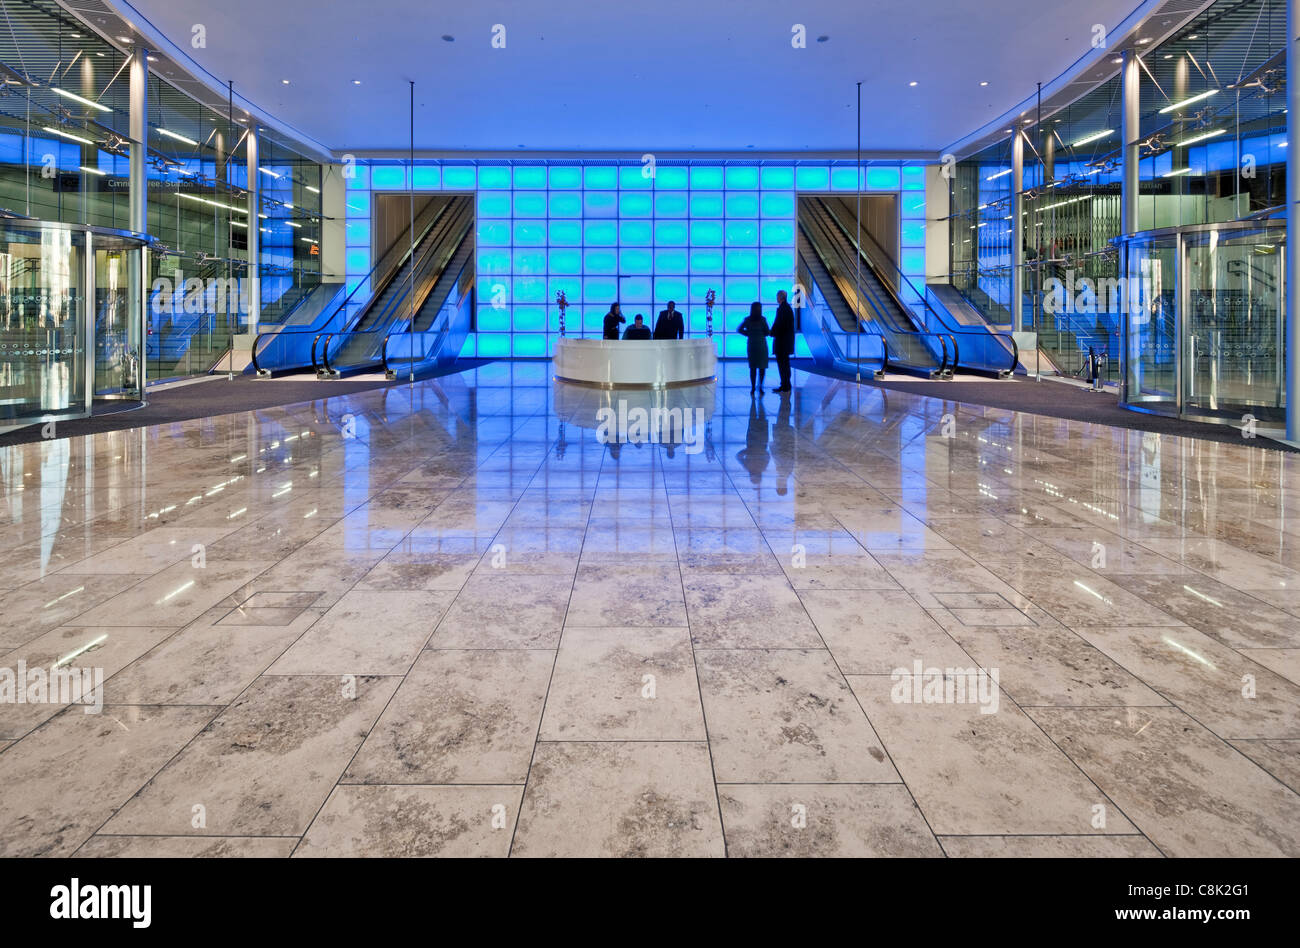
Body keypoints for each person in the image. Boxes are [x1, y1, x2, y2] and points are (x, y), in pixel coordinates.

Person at [738, 301, 770, 394]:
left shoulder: (747, 319)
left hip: (751, 345)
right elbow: (767, 332)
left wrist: (748, 334)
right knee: (762, 367)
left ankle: (752, 388)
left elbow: (739, 329)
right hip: (761, 346)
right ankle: (760, 387)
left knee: (753, 368)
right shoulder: (763, 320)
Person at [768, 289, 795, 393]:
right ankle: (786, 384)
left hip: (782, 343)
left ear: (780, 297)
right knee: (785, 364)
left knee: (782, 364)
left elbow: (779, 325)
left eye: (777, 296)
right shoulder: (787, 308)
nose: (776, 298)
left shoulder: (782, 309)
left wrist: (772, 332)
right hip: (786, 342)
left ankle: (785, 385)